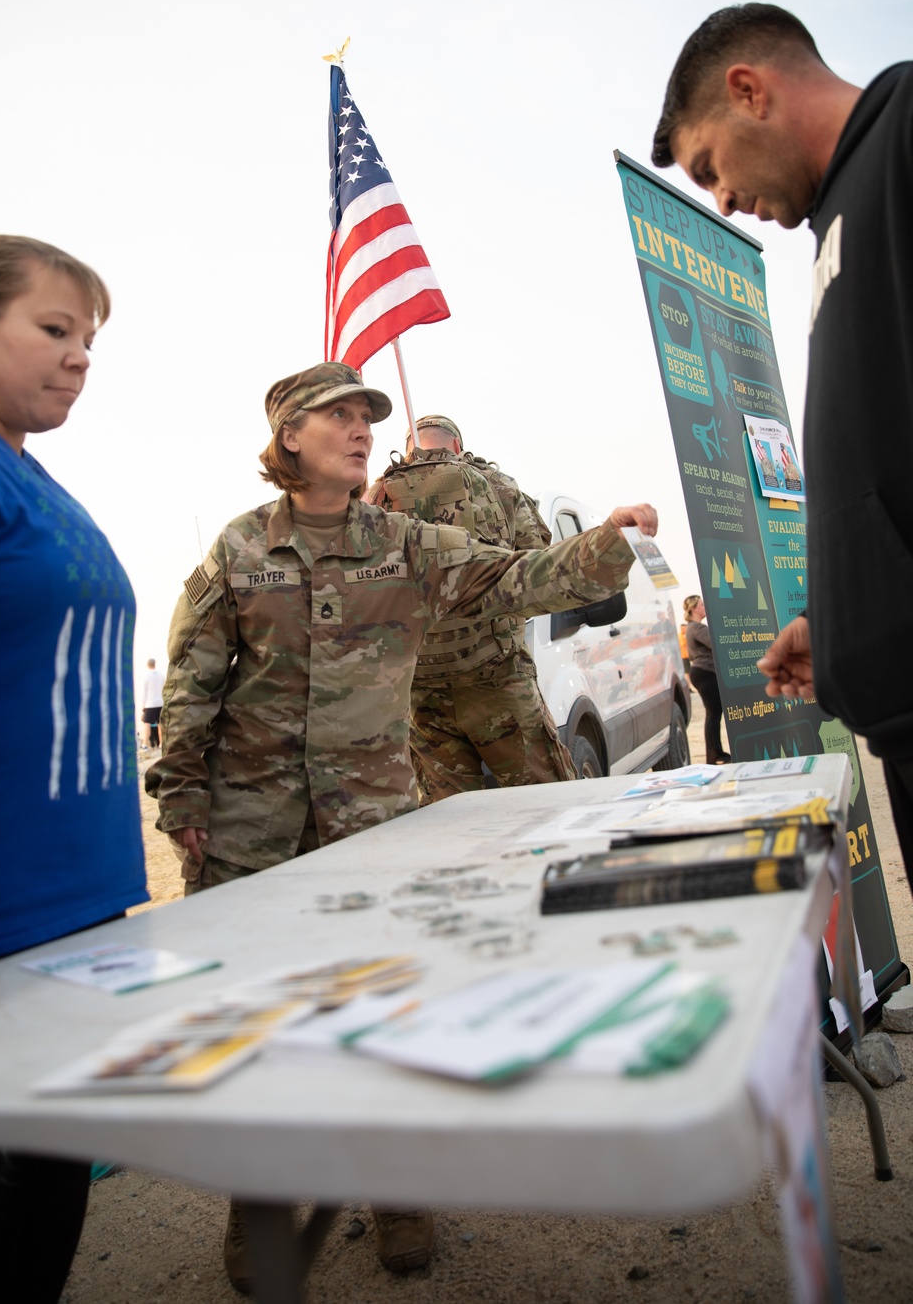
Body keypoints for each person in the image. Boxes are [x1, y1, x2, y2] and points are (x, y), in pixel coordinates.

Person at [146, 361, 657, 1290]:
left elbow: (512, 577)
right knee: (257, 1020)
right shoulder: (238, 549)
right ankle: (257, 1206)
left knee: (375, 1003)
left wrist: (608, 545)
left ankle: (396, 1195)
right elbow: (192, 681)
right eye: (336, 415)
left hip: (369, 828)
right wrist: (180, 801)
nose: (360, 428)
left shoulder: (408, 544)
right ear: (288, 436)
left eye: (365, 415)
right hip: (247, 833)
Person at [0, 235, 148, 1304]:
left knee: (47, 1200)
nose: (79, 358)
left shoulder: (30, 471)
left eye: (88, 340)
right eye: (54, 329)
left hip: (75, 910)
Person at [652, 4, 913, 894]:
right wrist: (841, 623)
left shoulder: (904, 131)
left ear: (749, 90)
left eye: (709, 167)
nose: (721, 199)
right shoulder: (838, 220)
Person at [369, 415, 577, 800]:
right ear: (456, 447)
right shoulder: (497, 485)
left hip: (421, 689)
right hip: (497, 678)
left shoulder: (377, 494)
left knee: (452, 818)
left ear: (410, 448)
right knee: (547, 802)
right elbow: (536, 574)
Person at [683, 594, 730, 764]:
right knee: (713, 713)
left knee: (714, 713)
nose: (705, 608)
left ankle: (715, 753)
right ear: (693, 608)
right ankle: (714, 754)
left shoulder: (692, 627)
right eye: (702, 605)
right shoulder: (696, 628)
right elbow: (716, 642)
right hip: (705, 673)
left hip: (702, 672)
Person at [141, 656, 165, 751]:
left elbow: (144, 693)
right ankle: (162, 744)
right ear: (155, 664)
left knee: (147, 724)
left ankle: (144, 744)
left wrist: (143, 706)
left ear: (147, 665)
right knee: (160, 724)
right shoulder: (161, 675)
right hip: (160, 702)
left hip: (150, 703)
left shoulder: (146, 676)